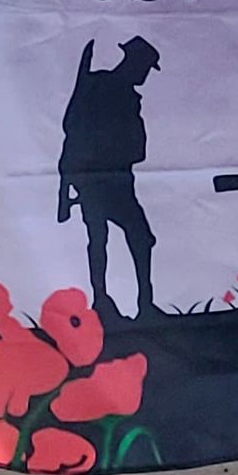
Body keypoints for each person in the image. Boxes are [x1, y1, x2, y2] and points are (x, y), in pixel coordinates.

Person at [57, 36, 162, 323]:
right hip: (94, 177)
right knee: (100, 238)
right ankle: (102, 301)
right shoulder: (100, 86)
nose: (145, 74)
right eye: (145, 67)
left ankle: (145, 304)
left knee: (140, 238)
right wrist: (67, 183)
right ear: (134, 63)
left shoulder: (126, 94)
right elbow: (73, 128)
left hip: (119, 178)